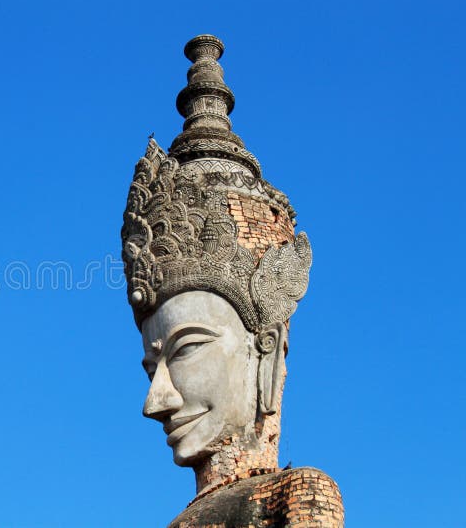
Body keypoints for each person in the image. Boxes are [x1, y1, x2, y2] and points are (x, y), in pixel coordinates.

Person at [121, 35, 344, 527]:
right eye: (151, 367)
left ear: (266, 351)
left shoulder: (294, 494)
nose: (156, 402)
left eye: (186, 349)